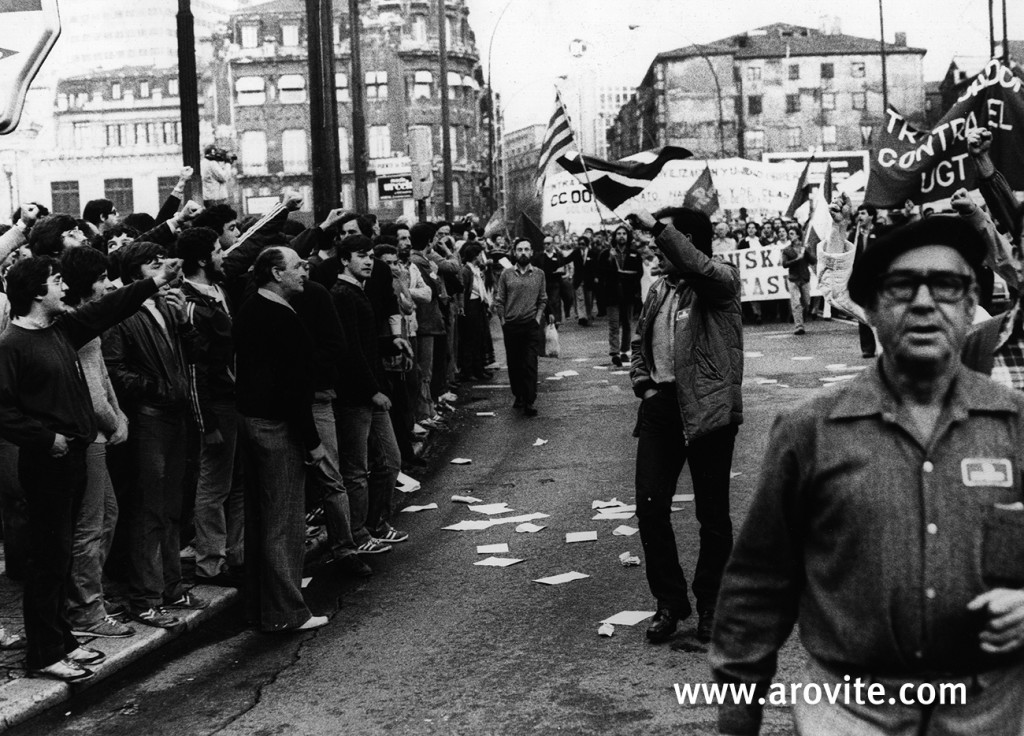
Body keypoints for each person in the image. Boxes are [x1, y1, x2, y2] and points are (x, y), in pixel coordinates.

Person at [711, 215, 1024, 736]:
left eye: (946, 285)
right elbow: (758, 582)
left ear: (972, 305)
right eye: (902, 286)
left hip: (992, 712)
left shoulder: (1016, 424)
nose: (924, 303)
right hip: (851, 713)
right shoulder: (809, 429)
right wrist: (737, 714)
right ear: (871, 310)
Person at [0, 254, 181, 681]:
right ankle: (44, 655)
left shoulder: (61, 329)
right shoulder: (11, 346)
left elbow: (108, 308)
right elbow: (3, 411)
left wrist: (152, 282)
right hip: (46, 462)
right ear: (36, 292)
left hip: (74, 458)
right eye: (56, 281)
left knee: (62, 556)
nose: (64, 287)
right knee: (48, 562)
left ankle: (62, 642)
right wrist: (48, 439)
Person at [626, 206, 743, 646]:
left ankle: (713, 603)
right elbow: (639, 342)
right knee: (650, 506)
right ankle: (670, 602)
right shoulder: (658, 289)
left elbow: (700, 267)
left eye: (664, 243)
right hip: (662, 409)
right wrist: (645, 385)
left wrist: (660, 228)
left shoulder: (721, 282)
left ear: (687, 243)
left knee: (712, 515)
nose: (655, 252)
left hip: (709, 410)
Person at [103, 242, 207, 629]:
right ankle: (144, 597)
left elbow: (197, 353)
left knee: (171, 506)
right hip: (149, 419)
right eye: (152, 264)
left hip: (174, 416)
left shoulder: (165, 305)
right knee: (149, 509)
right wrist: (158, 389)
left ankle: (170, 586)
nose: (162, 270)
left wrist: (183, 322)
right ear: (134, 273)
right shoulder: (122, 313)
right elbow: (116, 371)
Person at [233, 247, 328, 632]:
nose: (305, 271)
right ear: (276, 273)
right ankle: (286, 612)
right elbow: (293, 388)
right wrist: (312, 442)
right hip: (276, 426)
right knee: (284, 520)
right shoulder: (278, 316)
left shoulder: (252, 307)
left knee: (265, 518)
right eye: (297, 266)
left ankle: (263, 607)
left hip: (255, 420)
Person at [59, 247, 135, 639]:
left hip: (98, 432)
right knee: (92, 525)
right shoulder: (75, 321)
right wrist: (115, 420)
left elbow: (102, 374)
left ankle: (90, 600)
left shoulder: (86, 320)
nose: (108, 284)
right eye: (102, 277)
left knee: (106, 517)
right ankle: (85, 611)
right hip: (88, 436)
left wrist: (117, 416)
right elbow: (91, 388)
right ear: (87, 282)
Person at [332, 235, 410, 551]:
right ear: (344, 260)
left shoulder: (357, 293)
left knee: (390, 461)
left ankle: (376, 523)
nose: (368, 261)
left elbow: (363, 345)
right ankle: (358, 534)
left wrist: (390, 342)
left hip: (370, 392)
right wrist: (372, 390)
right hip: (355, 397)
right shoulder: (342, 295)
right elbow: (348, 351)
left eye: (370, 256)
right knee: (355, 470)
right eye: (361, 256)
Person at [492, 239, 546, 417]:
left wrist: (537, 319)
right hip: (511, 325)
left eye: (526, 249)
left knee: (530, 362)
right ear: (514, 253)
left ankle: (529, 400)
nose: (523, 252)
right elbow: (500, 300)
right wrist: (503, 321)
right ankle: (519, 395)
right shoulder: (506, 274)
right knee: (515, 364)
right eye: (520, 249)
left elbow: (542, 299)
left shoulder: (539, 274)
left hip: (530, 325)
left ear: (531, 252)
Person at [597, 225, 642, 366]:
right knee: (614, 324)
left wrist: (627, 277)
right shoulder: (606, 253)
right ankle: (614, 352)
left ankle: (624, 351)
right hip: (612, 294)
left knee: (628, 324)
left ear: (628, 236)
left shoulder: (634, 253)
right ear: (614, 236)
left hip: (628, 294)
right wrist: (611, 260)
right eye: (618, 233)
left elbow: (638, 273)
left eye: (624, 233)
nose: (621, 236)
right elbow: (601, 272)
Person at [851, 204, 879, 357]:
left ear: (871, 216)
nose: (859, 216)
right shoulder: (854, 236)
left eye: (863, 213)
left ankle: (882, 345)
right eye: (858, 213)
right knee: (863, 313)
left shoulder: (880, 232)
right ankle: (867, 347)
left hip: (877, 278)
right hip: (861, 279)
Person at [781, 233, 816, 335]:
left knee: (806, 302)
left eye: (792, 233)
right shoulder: (787, 250)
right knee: (796, 303)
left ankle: (799, 316)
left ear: (798, 236)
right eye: (790, 233)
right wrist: (797, 259)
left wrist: (808, 252)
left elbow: (813, 261)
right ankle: (799, 326)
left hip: (804, 278)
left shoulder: (804, 249)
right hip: (793, 279)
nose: (790, 235)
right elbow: (784, 264)